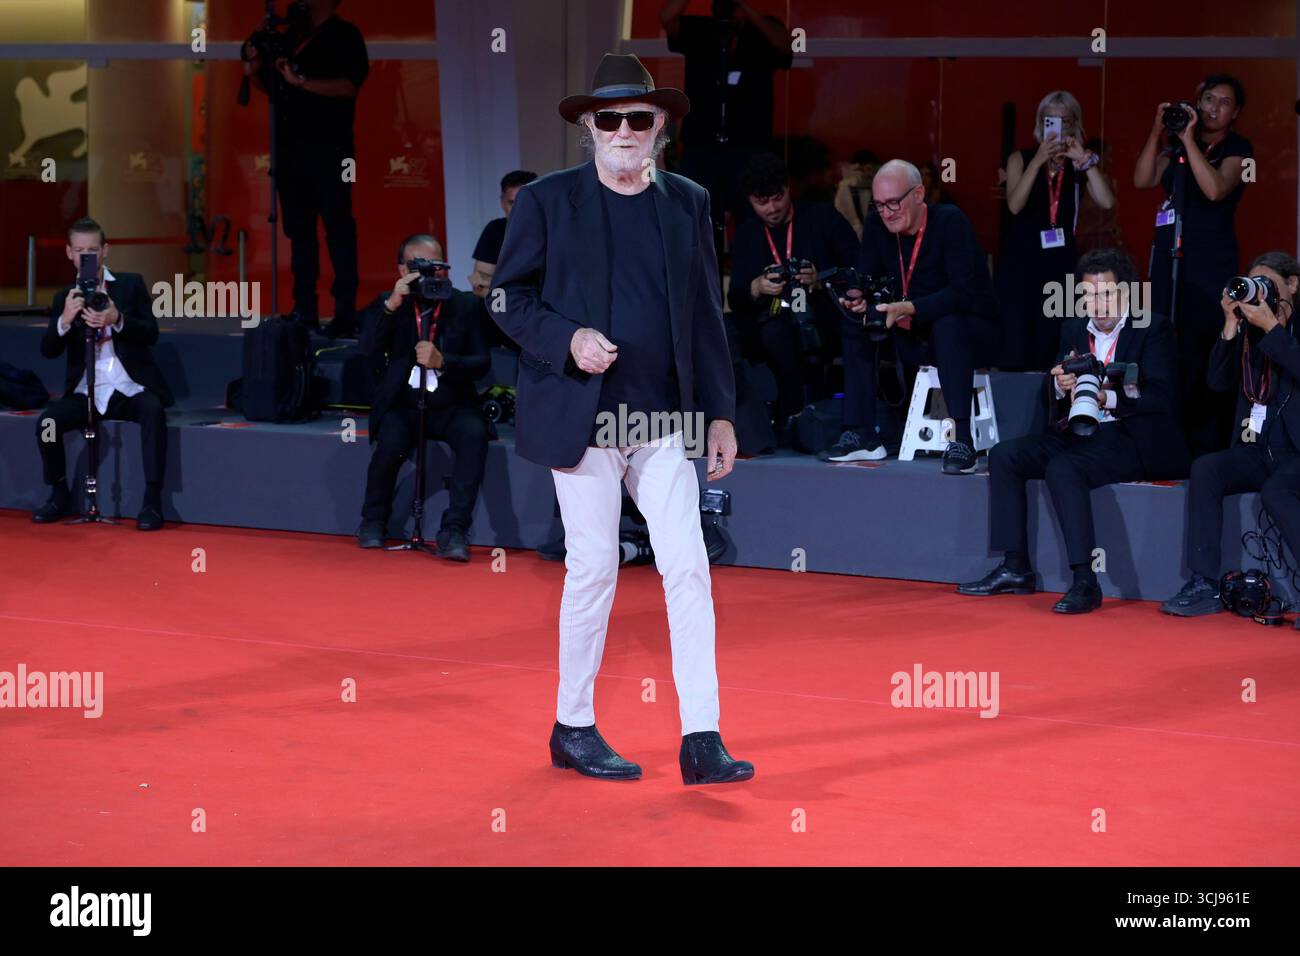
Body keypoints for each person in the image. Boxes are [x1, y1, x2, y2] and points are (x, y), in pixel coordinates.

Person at [491, 53, 752, 786]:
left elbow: (706, 312)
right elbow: (507, 300)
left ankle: (701, 737)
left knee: (689, 566)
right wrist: (567, 341)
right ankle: (573, 726)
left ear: (660, 124)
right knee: (595, 566)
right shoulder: (546, 202)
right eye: (610, 119)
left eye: (640, 118)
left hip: (664, 419)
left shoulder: (689, 202)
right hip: (582, 417)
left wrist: (721, 417)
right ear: (589, 128)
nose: (625, 130)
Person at [957, 248, 1189, 613]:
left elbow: (1160, 395)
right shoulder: (1072, 329)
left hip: (1133, 435)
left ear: (1126, 293)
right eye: (1089, 295)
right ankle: (1015, 567)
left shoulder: (1152, 328)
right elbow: (1050, 388)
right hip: (1081, 429)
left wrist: (1107, 396)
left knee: (1064, 468)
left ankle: (1085, 582)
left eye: (1107, 294)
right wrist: (1060, 387)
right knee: (1005, 455)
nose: (1098, 304)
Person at [834, 159, 1000, 472]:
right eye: (880, 205)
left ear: (919, 194)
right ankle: (861, 433)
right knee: (857, 322)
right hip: (910, 327)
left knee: (947, 323)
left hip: (968, 330)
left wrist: (910, 308)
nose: (887, 212)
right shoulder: (876, 226)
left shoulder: (950, 221)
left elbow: (963, 293)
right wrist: (859, 299)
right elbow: (868, 280)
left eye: (894, 202)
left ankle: (961, 439)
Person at [1161, 251, 1300, 617]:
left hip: (1296, 454)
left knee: (1278, 490)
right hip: (1257, 449)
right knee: (1207, 468)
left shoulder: (1281, 330)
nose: (1261, 292)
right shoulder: (1248, 332)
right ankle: (1203, 583)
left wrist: (1274, 328)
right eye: (1254, 284)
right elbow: (1217, 383)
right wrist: (1229, 325)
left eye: (1268, 283)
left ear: (1293, 284)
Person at [1135, 73, 1253, 457]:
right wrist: (1158, 131)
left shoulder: (1240, 148)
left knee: (1202, 351)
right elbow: (1142, 179)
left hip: (1209, 266)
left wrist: (1187, 141)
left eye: (1223, 102)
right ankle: (1166, 436)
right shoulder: (1175, 142)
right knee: (1166, 347)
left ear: (1235, 112)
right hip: (1170, 263)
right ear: (1197, 103)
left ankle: (1203, 444)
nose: (1213, 108)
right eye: (1208, 99)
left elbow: (1216, 189)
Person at [33, 217, 173, 531]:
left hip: (128, 387)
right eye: (80, 251)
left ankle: (152, 500)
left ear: (105, 251)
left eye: (93, 250)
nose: (86, 258)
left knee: (153, 411)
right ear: (69, 252)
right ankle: (58, 493)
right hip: (86, 391)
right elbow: (48, 350)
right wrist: (64, 321)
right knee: (47, 425)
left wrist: (117, 318)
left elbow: (151, 333)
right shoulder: (63, 297)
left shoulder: (130, 284)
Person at [356, 235, 491, 560]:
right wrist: (392, 304)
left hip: (452, 404)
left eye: (436, 266)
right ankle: (372, 521)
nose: (430, 274)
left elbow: (482, 363)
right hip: (403, 404)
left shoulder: (465, 305)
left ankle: (454, 529)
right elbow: (367, 349)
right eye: (420, 266)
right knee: (389, 443)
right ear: (402, 268)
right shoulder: (390, 305)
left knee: (475, 434)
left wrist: (444, 361)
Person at [242, 0, 369, 338]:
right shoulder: (291, 35)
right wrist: (255, 69)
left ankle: (344, 314)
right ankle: (305, 311)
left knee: (339, 229)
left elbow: (349, 86)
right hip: (290, 154)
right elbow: (275, 87)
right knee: (299, 235)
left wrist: (302, 82)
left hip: (334, 153)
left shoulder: (345, 35)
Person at [728, 152, 858, 442]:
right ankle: (790, 415)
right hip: (773, 319)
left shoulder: (822, 217)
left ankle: (814, 416)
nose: (772, 208)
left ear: (789, 189)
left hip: (823, 315)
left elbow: (856, 266)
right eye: (761, 203)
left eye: (777, 197)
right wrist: (757, 286)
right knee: (775, 332)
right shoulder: (749, 233)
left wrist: (820, 278)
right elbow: (735, 295)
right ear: (750, 201)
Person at [661, 0, 793, 264]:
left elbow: (786, 45)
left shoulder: (761, 30)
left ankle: (748, 288)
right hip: (702, 144)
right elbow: (667, 17)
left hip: (749, 144)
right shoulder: (700, 29)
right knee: (694, 218)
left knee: (752, 221)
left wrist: (746, 9)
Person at [997, 91, 1115, 371]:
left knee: (1053, 339)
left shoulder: (1079, 163)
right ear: (1041, 123)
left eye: (1065, 120)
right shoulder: (1021, 158)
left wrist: (1085, 162)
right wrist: (1038, 160)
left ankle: (1053, 403)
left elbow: (1107, 201)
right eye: (1051, 119)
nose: (1058, 126)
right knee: (1018, 341)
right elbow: (1014, 205)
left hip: (1061, 261)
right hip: (1021, 262)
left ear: (1075, 124)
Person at [468, 170, 535, 352]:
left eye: (524, 203)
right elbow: (480, 286)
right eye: (512, 203)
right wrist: (513, 297)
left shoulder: (553, 231)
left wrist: (499, 288)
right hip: (503, 320)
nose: (518, 210)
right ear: (502, 202)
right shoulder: (495, 231)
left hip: (542, 321)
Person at [834, 149, 881, 240]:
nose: (867, 173)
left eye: (870, 169)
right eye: (863, 170)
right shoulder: (845, 186)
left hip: (862, 236)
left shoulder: (877, 185)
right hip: (853, 235)